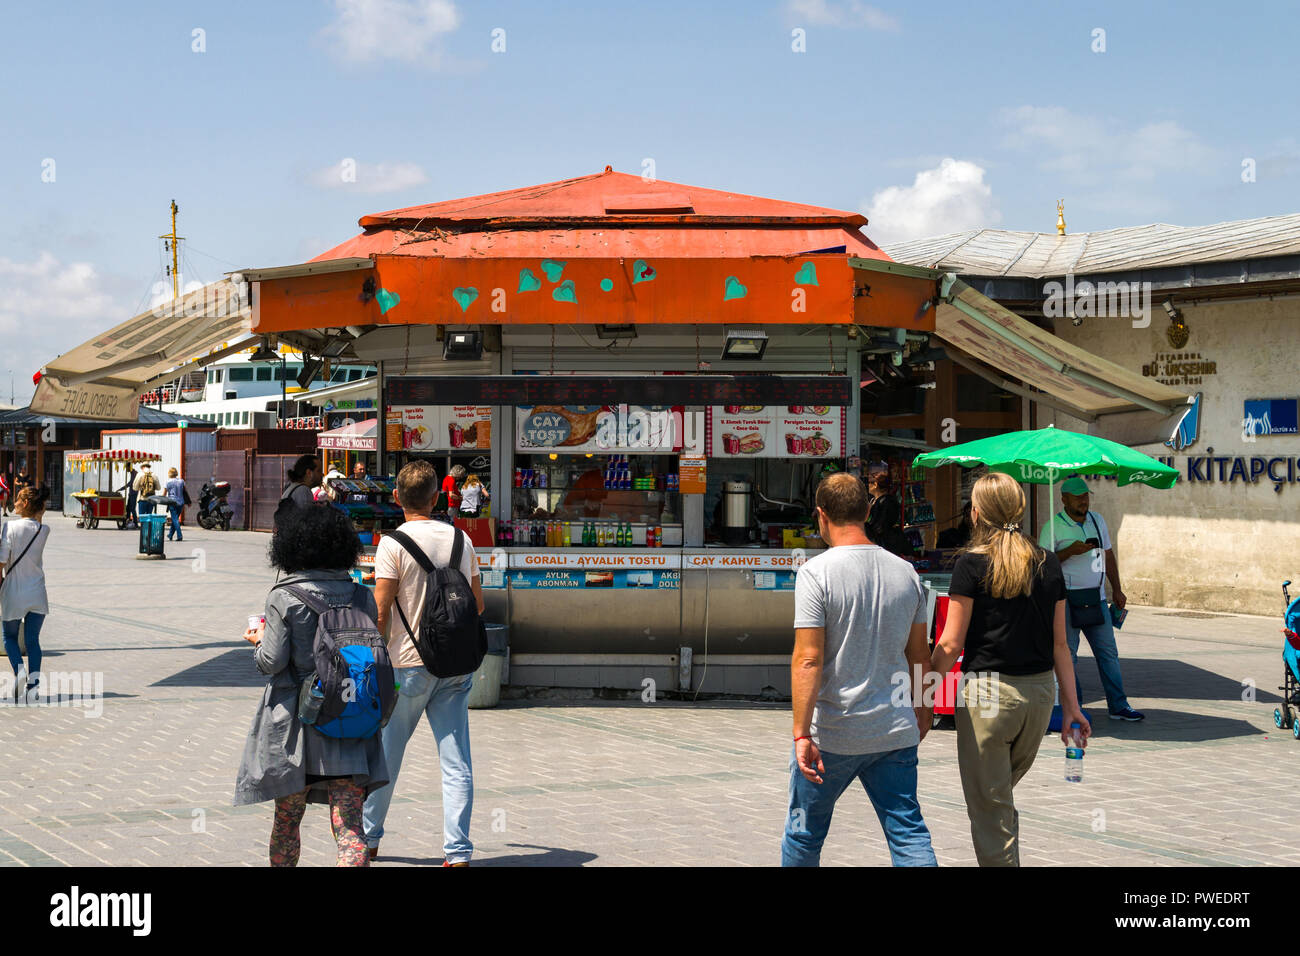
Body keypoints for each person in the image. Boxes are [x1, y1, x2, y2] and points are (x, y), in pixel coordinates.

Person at [928, 472, 1092, 866]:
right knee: (998, 799)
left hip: (988, 699)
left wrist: (921, 691)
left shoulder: (970, 565)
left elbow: (950, 644)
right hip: (1038, 698)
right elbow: (1060, 646)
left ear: (977, 512)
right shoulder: (1048, 563)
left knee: (990, 806)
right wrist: (1071, 707)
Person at [782, 472, 936, 867]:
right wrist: (924, 707)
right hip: (893, 730)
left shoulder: (817, 573)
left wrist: (801, 732)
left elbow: (808, 659)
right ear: (868, 510)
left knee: (804, 836)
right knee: (908, 833)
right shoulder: (906, 573)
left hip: (831, 734)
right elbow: (920, 655)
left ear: (821, 516)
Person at [233, 505, 390, 866]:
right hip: (351, 722)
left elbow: (272, 662)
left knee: (287, 822)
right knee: (351, 827)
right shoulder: (361, 595)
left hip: (295, 728)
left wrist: (257, 642)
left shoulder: (283, 596)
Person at [363, 460, 483, 865]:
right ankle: (458, 853)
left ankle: (368, 840)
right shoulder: (460, 540)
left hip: (405, 667)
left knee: (386, 757)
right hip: (455, 667)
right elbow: (477, 605)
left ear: (396, 498)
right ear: (437, 498)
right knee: (456, 761)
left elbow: (380, 611)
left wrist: (375, 662)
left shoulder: (391, 544)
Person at [1037, 476, 1143, 721]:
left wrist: (1117, 588)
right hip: (1066, 601)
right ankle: (1076, 704)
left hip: (1096, 598)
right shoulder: (1052, 527)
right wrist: (1068, 552)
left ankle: (1119, 705)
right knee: (1068, 655)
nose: (1083, 501)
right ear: (1063, 499)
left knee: (1108, 653)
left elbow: (1108, 555)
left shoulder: (1098, 520)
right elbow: (1043, 563)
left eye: (1085, 496)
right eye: (1077, 497)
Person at [0, 487, 51, 702]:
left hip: (13, 591)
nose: (14, 501)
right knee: (33, 641)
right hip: (37, 591)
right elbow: (37, 518)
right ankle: (34, 686)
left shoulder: (9, 527)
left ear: (25, 502)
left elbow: (2, 562)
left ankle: (20, 674)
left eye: (18, 498)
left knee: (10, 638)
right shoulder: (44, 529)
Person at [865, 471, 914, 559]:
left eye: (870, 483)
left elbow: (881, 524)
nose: (868, 485)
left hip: (886, 542)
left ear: (875, 484)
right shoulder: (875, 500)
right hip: (880, 540)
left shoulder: (887, 501)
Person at [163, 467, 188, 542]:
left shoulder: (168, 482)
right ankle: (170, 534)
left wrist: (161, 499)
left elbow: (164, 493)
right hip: (181, 502)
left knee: (175, 519)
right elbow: (185, 491)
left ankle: (179, 535)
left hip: (172, 502)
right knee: (175, 519)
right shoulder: (181, 481)